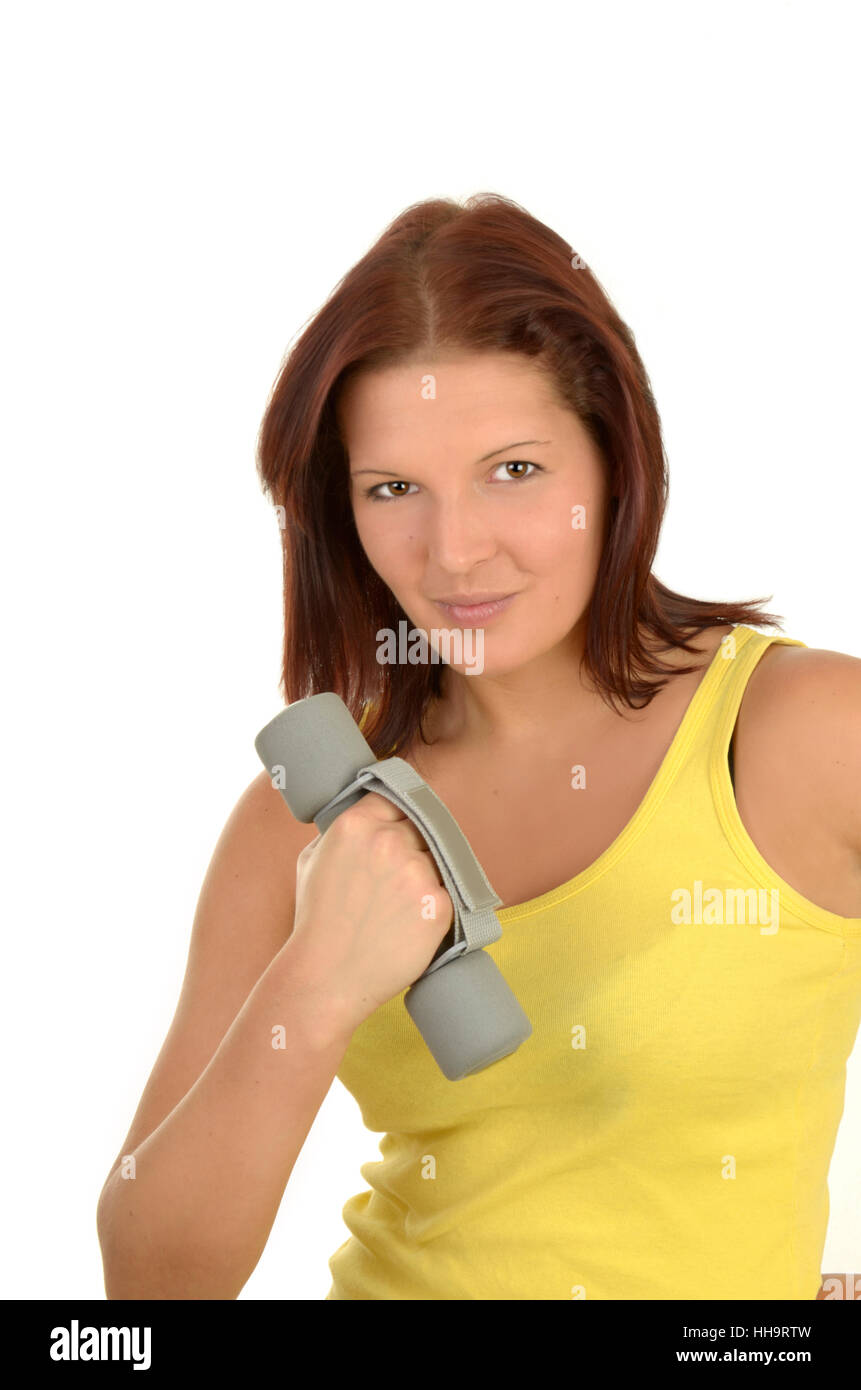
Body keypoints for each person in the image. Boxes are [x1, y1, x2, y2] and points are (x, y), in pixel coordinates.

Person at [97, 193, 861, 1301]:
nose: (454, 550)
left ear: (614, 461)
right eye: (395, 488)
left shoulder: (799, 735)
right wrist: (313, 987)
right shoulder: (300, 821)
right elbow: (148, 1287)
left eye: (514, 470)